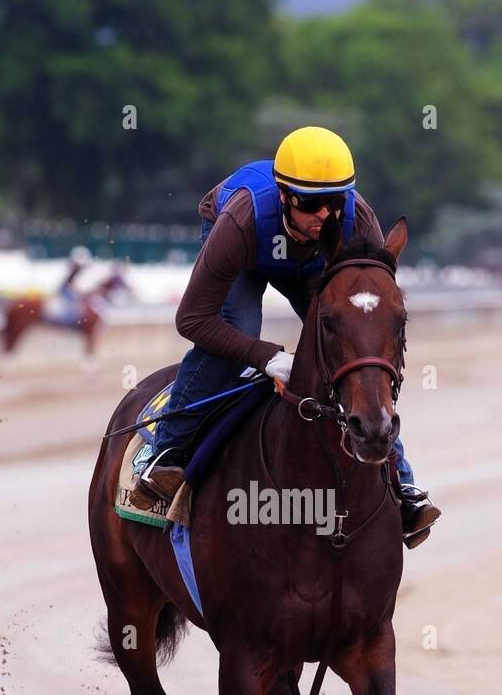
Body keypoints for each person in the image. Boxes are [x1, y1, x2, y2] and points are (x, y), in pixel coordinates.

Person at [139, 126, 439, 548]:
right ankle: (166, 456)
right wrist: (265, 357)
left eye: (335, 203)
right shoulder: (241, 220)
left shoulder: (357, 223)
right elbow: (191, 318)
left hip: (315, 262)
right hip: (246, 255)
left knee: (355, 351)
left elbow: (371, 309)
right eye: (311, 204)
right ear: (285, 197)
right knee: (238, 332)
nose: (324, 216)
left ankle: (402, 482)